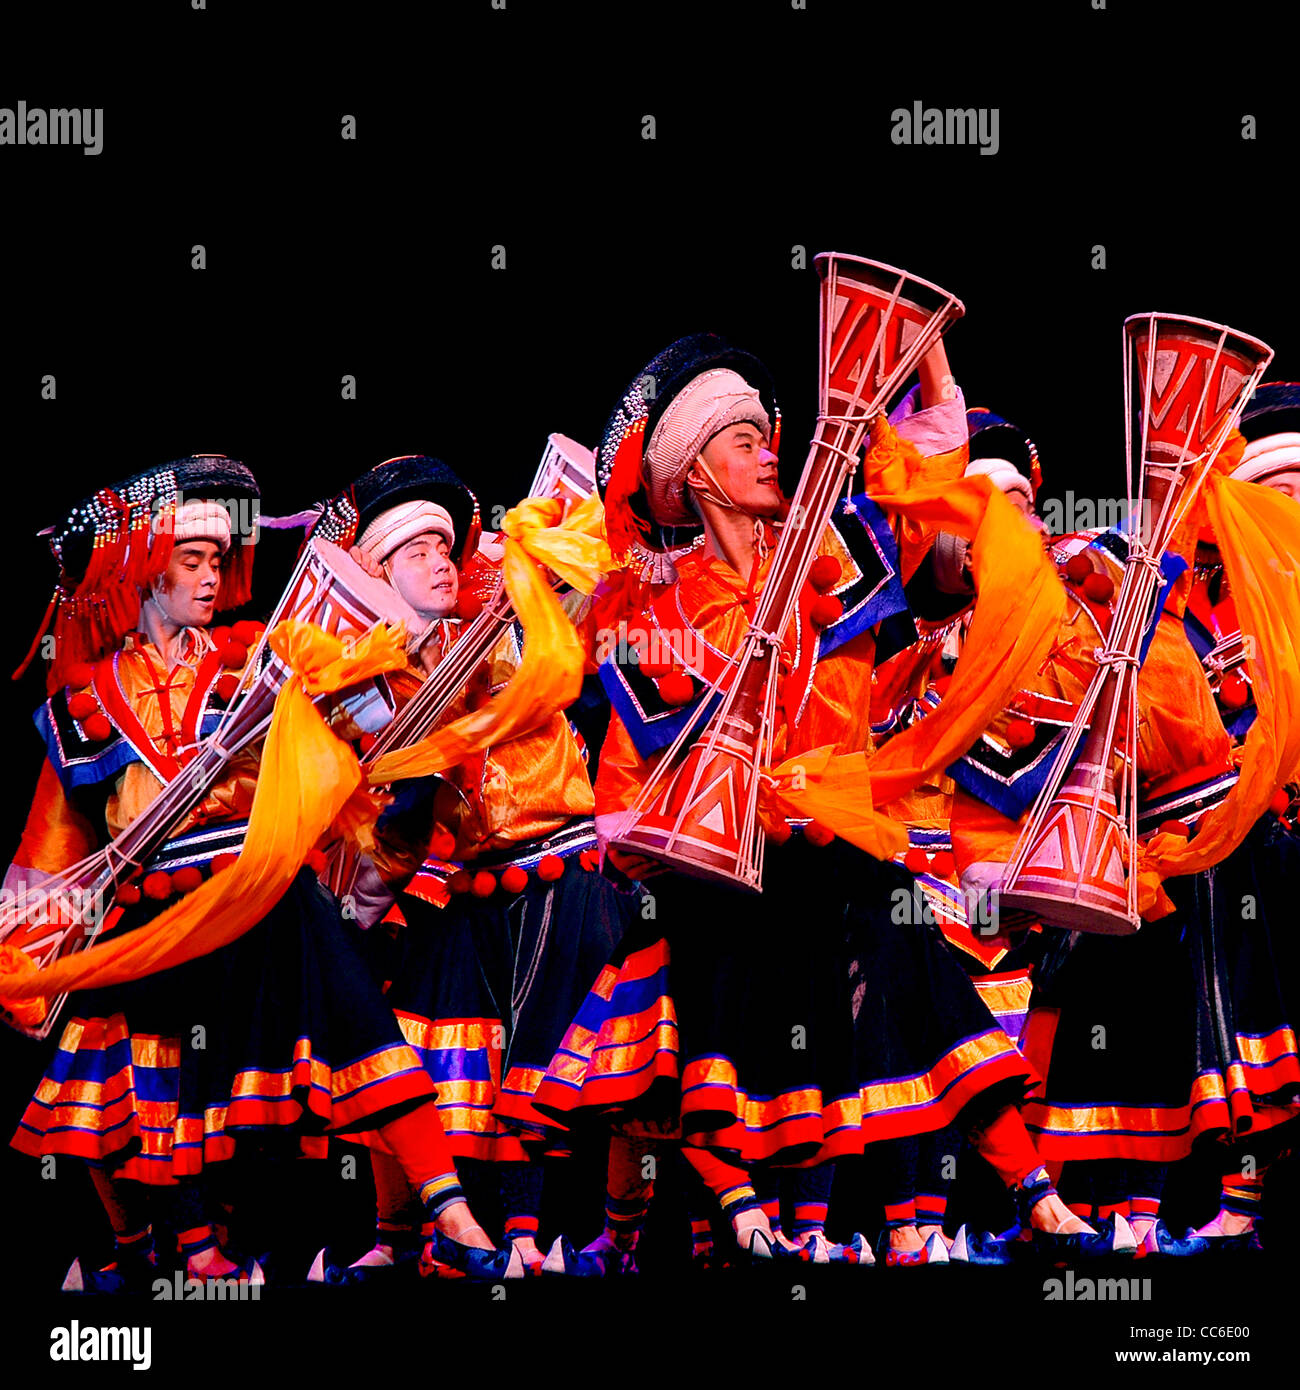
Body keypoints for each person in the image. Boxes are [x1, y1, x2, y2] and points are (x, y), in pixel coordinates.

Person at [531, 333, 1114, 1270]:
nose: (771, 449)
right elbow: (646, 744)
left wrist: (935, 380)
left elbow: (925, 528)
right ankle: (733, 1204)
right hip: (713, 859)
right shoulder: (651, 599)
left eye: (770, 434)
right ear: (699, 475)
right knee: (719, 947)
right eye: (745, 439)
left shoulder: (824, 553)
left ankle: (1033, 1189)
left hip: (829, 833)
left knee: (909, 934)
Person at [4, 455, 502, 1288]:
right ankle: (164, 1253)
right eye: (190, 562)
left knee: (360, 1026)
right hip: (154, 912)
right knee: (125, 1080)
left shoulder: (256, 660)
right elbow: (51, 847)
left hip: (262, 888)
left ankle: (453, 1212)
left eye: (216, 561)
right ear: (139, 573)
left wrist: (383, 697)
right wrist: (30, 951)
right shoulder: (82, 702)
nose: (211, 578)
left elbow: (363, 719)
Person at [300, 454, 635, 1280]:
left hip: (560, 864)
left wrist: (537, 554)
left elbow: (579, 612)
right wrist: (385, 856)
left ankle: (556, 1237)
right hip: (468, 886)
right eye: (415, 552)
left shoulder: (503, 613)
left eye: (445, 547)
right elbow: (393, 830)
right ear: (377, 573)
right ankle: (405, 1237)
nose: (440, 560)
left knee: (551, 1056)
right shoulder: (372, 685)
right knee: (428, 1049)